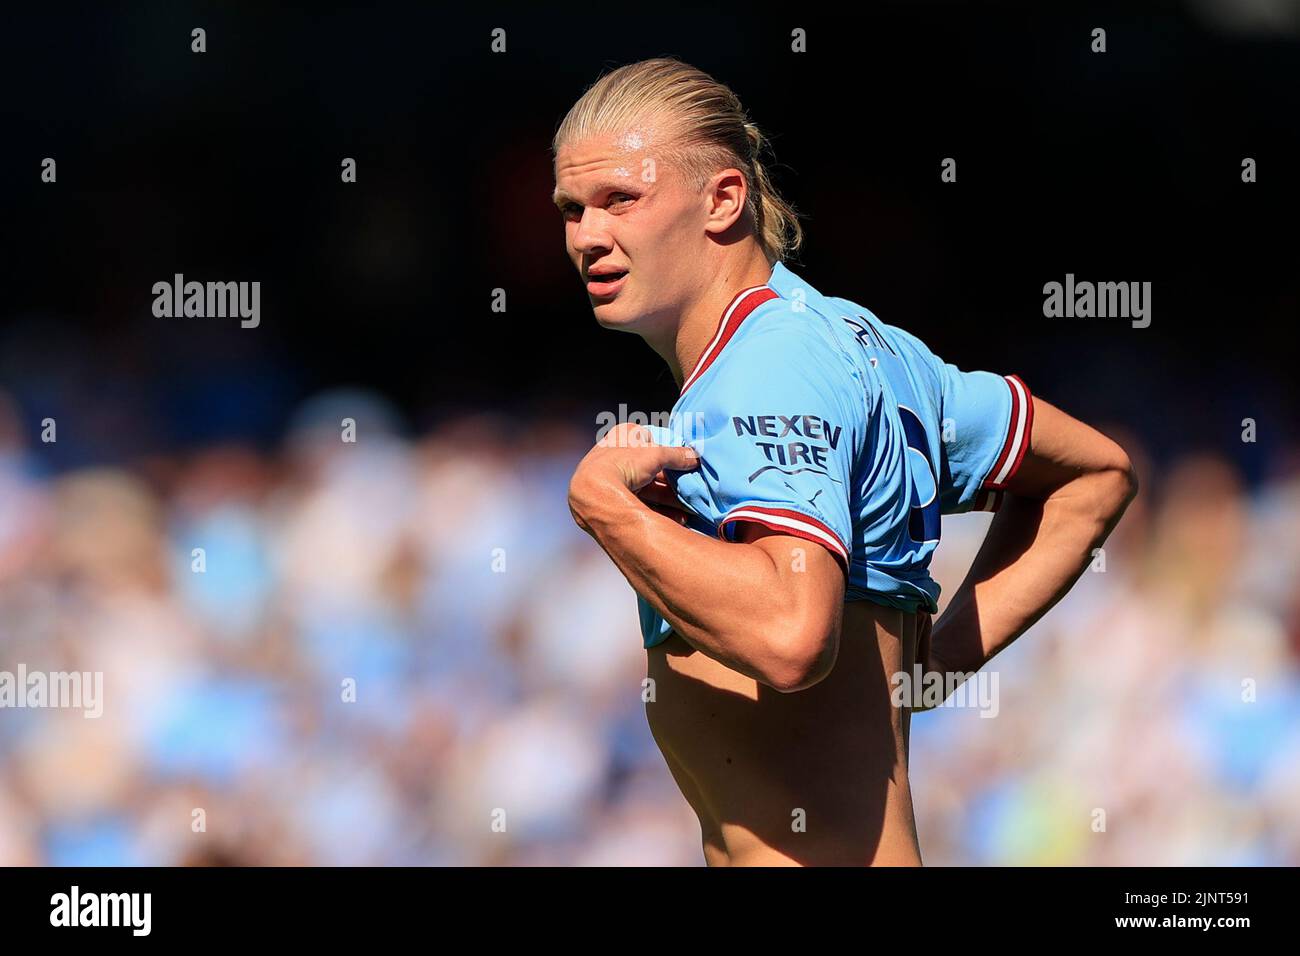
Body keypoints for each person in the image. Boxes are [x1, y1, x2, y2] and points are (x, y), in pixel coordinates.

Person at [554, 57, 1137, 866]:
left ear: (723, 199)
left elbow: (793, 637)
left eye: (621, 198)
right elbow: (1095, 474)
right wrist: (930, 671)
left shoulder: (769, 364)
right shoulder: (867, 346)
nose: (587, 235)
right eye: (572, 208)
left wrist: (607, 509)